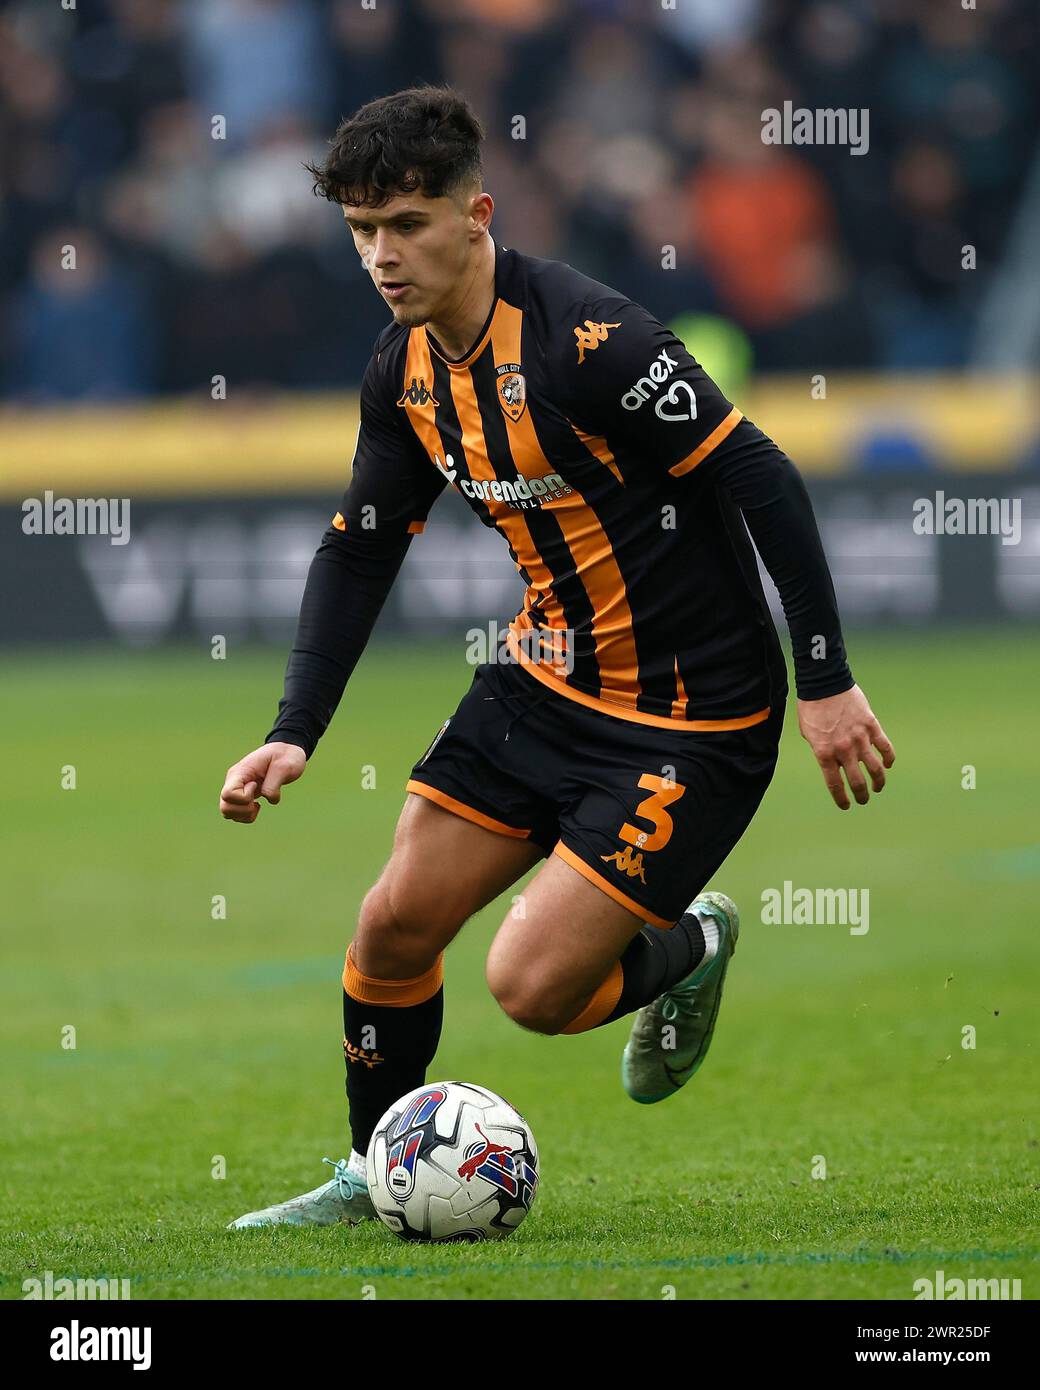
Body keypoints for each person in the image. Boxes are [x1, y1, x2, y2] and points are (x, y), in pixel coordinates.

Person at [219, 85, 894, 1229]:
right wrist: (293, 727)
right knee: (391, 926)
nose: (381, 256)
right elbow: (358, 553)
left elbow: (760, 475)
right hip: (544, 678)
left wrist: (822, 679)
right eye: (360, 232)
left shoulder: (593, 341)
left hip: (694, 715)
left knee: (531, 991)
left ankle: (687, 942)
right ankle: (371, 1166)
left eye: (407, 225)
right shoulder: (403, 372)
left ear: (475, 215)